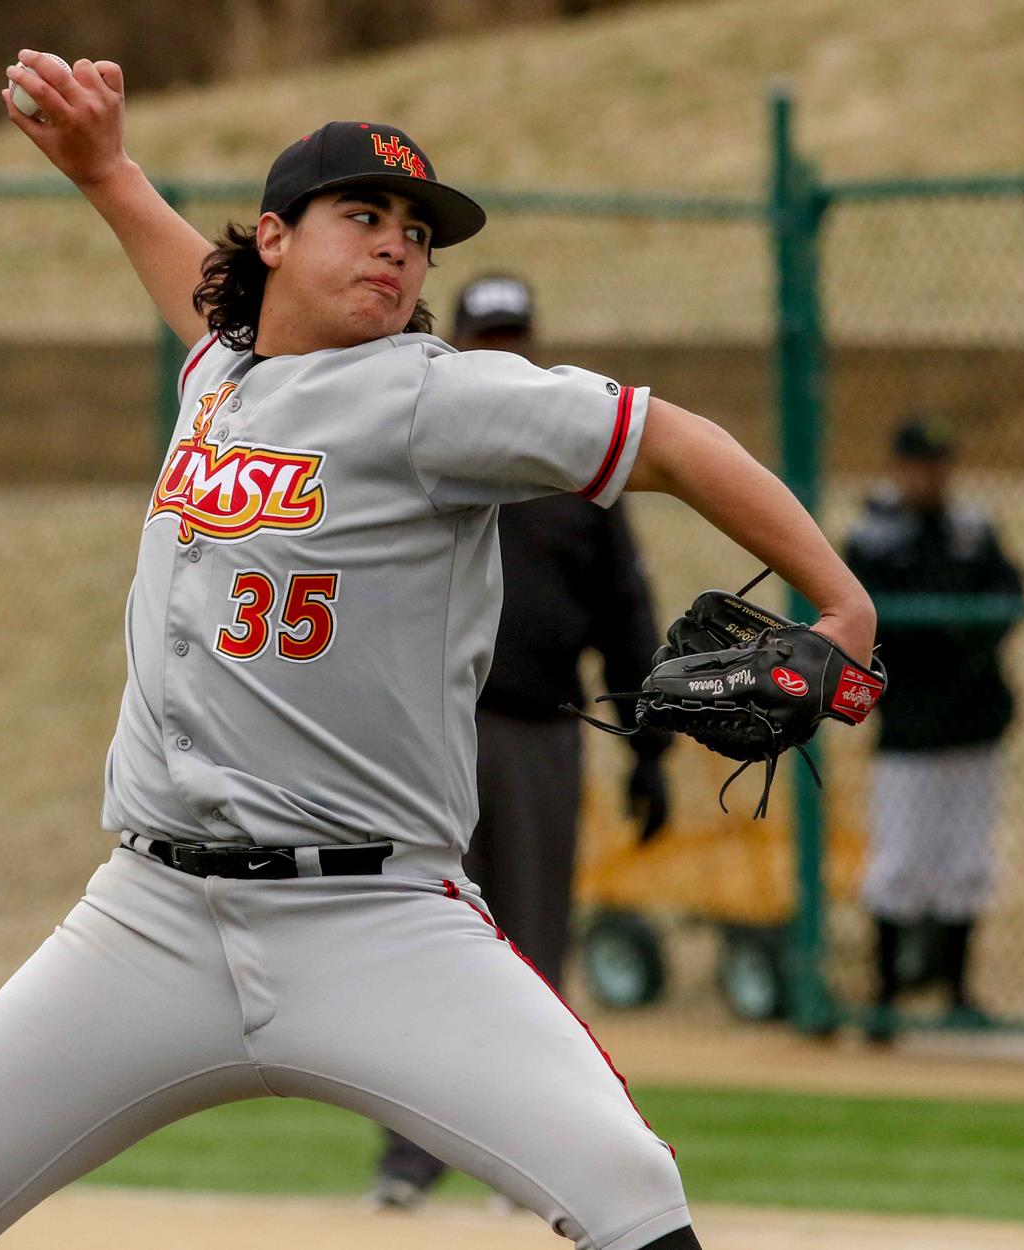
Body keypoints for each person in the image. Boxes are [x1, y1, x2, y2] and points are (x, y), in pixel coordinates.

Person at [0, 50, 875, 1250]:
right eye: (362, 214)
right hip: (151, 915)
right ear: (271, 237)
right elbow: (184, 281)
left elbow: (667, 439)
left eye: (416, 231)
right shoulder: (217, 373)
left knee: (630, 1190)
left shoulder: (432, 398)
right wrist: (104, 172)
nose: (397, 246)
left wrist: (838, 603)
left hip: (377, 920)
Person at [365, 274, 673, 1213]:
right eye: (483, 337)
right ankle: (410, 1157)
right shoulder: (414, 445)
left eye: (513, 337)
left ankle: (529, 1160)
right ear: (453, 341)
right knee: (420, 941)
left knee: (533, 949)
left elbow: (624, 612)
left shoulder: (571, 465)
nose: (499, 352)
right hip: (428, 738)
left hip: (541, 731)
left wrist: (648, 746)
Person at [844, 416, 1022, 1043]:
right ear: (898, 468)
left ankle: (956, 992)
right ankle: (887, 999)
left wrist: (964, 633)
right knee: (900, 862)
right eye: (921, 464)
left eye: (940, 463)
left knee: (967, 861)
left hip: (973, 721)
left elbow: (1008, 592)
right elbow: (879, 624)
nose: (933, 476)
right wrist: (948, 634)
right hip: (912, 727)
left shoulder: (971, 528)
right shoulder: (874, 536)